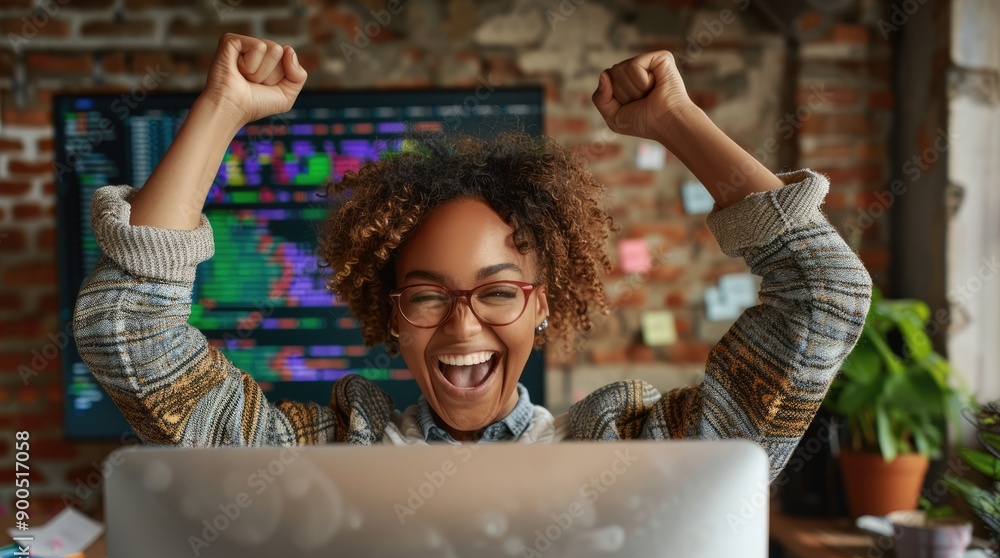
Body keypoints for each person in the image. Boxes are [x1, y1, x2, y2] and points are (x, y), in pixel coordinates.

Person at [73, 34, 872, 482]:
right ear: (394, 314)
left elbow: (823, 297)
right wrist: (220, 112)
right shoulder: (309, 460)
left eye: (497, 292)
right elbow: (126, 335)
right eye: (427, 296)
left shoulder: (639, 462)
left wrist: (677, 120)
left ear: (544, 302)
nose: (463, 326)